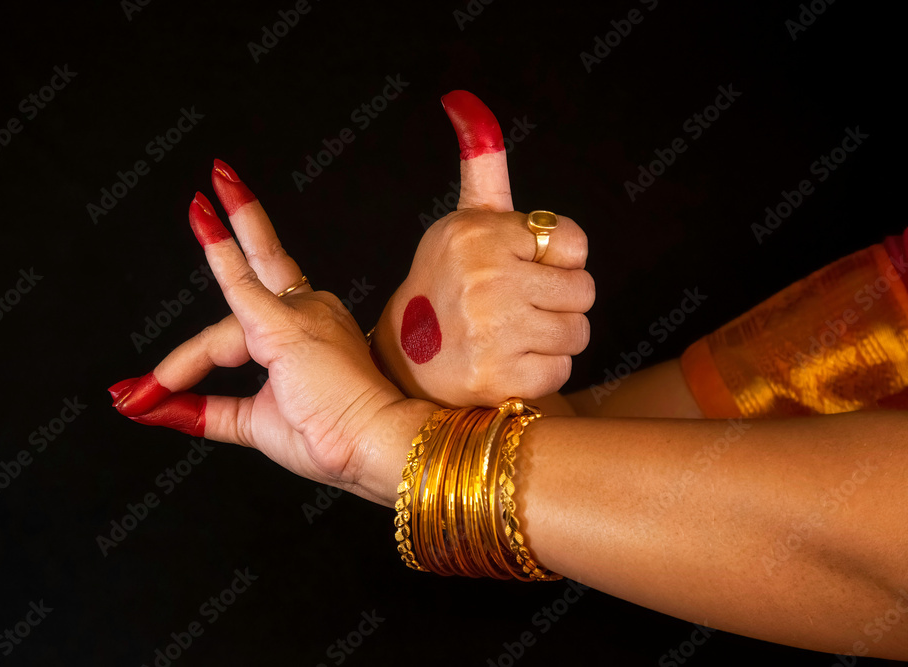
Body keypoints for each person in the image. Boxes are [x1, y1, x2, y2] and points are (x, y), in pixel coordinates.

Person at [107, 91, 908, 659]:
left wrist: (388, 439)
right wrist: (405, 371)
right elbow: (655, 493)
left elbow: (875, 567)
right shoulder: (883, 304)